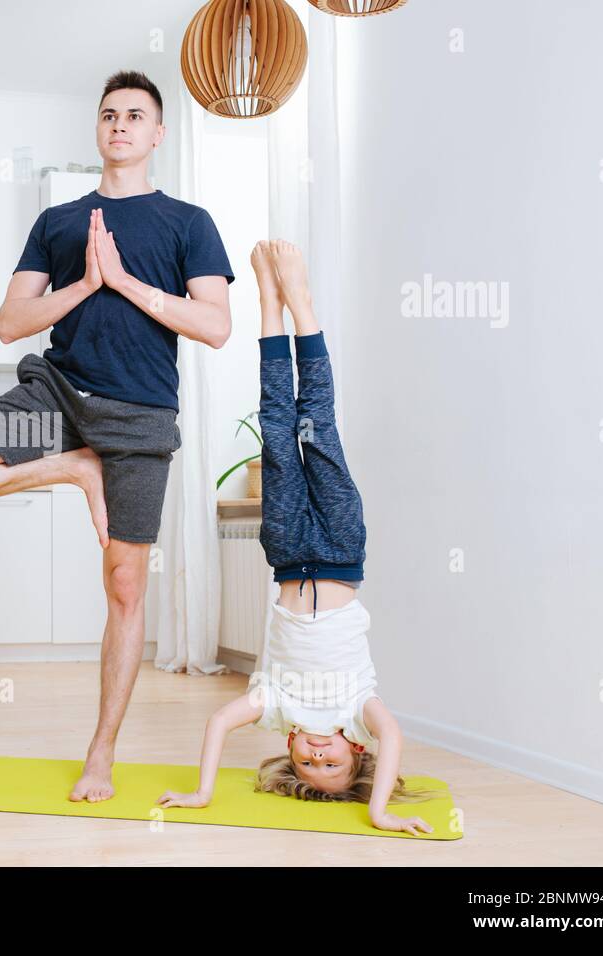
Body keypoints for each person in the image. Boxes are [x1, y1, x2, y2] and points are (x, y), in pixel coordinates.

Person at [0, 69, 234, 803]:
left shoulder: (189, 223)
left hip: (141, 419)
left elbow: (215, 325)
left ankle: (101, 755)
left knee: (122, 589)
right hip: (55, 397)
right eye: (110, 114)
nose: (121, 124)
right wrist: (85, 282)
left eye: (136, 116)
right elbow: (10, 322)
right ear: (99, 129)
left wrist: (127, 283)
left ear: (157, 134)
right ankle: (73, 468)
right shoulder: (58, 221)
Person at [156, 240, 438, 834]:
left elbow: (215, 726)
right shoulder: (358, 713)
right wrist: (379, 810)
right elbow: (395, 735)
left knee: (279, 425)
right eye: (329, 763)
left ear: (288, 750)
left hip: (286, 553)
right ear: (353, 752)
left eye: (305, 765)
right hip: (339, 548)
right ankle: (301, 306)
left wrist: (202, 791)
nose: (315, 755)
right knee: (319, 424)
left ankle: (268, 304)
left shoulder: (274, 706)